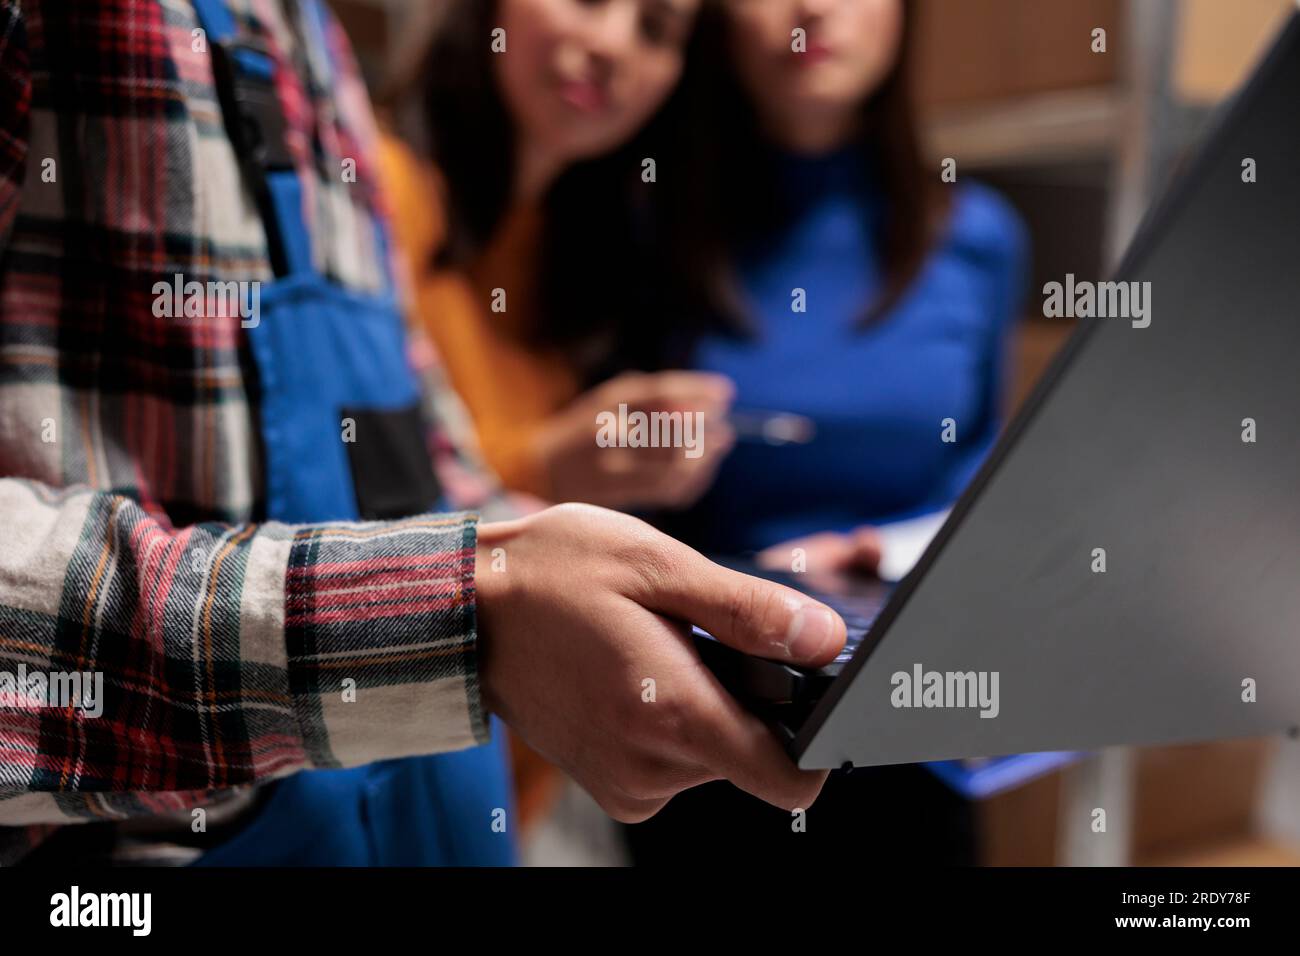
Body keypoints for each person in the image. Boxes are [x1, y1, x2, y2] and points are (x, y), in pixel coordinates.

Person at [0, 0, 843, 866]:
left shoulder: (315, 53)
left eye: (658, 31)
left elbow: (425, 472)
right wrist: (464, 613)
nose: (611, 46)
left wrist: (716, 603)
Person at [627, 0, 1030, 863]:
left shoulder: (982, 236)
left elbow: (987, 479)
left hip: (920, 722)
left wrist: (876, 547)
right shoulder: (640, 223)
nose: (813, 9)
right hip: (707, 729)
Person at [380, 0, 737, 513]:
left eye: (656, 30)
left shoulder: (590, 256)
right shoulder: (380, 191)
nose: (612, 45)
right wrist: (544, 468)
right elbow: (356, 503)